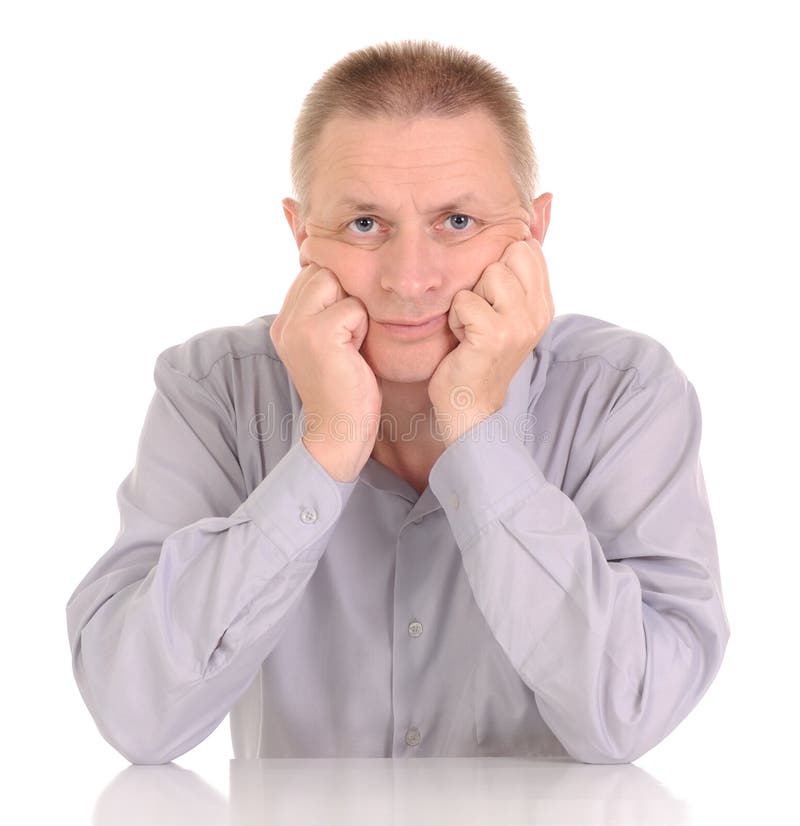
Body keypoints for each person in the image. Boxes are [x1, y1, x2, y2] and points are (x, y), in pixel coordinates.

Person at [65, 39, 730, 765]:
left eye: (457, 222)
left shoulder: (624, 395)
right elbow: (137, 717)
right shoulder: (213, 391)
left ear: (535, 231)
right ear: (300, 234)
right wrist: (325, 450)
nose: (410, 280)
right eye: (364, 224)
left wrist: (478, 431)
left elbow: (629, 713)